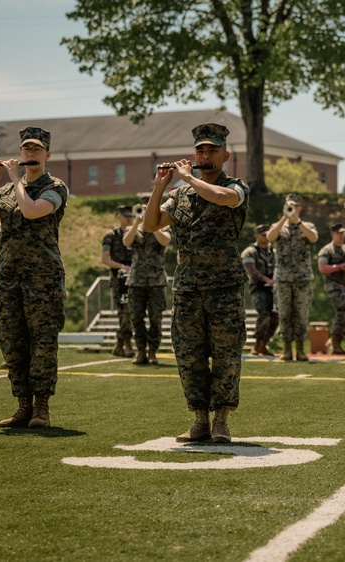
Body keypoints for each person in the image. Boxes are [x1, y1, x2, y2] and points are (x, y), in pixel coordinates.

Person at [143, 123, 249, 443]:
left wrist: (189, 177)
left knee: (226, 355)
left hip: (224, 287)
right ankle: (199, 420)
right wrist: (161, 186)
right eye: (201, 150)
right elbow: (150, 224)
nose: (205, 154)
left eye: (212, 150)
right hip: (188, 288)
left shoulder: (237, 186)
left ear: (225, 155)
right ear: (194, 153)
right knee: (189, 355)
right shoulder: (179, 195)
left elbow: (223, 198)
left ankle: (221, 420)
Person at [0, 127, 68, 429]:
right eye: (26, 149)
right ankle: (23, 406)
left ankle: (41, 407)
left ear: (47, 154)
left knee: (42, 342)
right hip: (8, 277)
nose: (29, 155)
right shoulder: (4, 192)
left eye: (36, 150)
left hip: (42, 278)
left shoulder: (54, 186)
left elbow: (30, 211)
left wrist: (16, 179)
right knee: (12, 342)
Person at [267, 193, 318, 361]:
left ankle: (301, 350)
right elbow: (270, 237)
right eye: (289, 206)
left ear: (300, 208)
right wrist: (284, 219)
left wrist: (298, 221)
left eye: (295, 206)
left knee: (301, 314)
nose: (292, 209)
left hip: (302, 278)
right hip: (282, 278)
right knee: (284, 314)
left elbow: (313, 238)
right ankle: (287, 350)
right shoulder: (279, 225)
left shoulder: (307, 225)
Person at [123, 202, 171, 365]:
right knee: (136, 318)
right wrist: (137, 221)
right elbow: (126, 242)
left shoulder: (163, 227)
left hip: (156, 281)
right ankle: (141, 350)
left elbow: (165, 241)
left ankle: (152, 351)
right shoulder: (134, 229)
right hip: (136, 281)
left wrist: (153, 225)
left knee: (155, 318)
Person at [317, 223, 345, 354]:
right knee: (344, 311)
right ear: (333, 234)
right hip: (333, 285)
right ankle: (335, 345)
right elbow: (323, 268)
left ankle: (334, 341)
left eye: (343, 233)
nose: (342, 236)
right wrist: (339, 267)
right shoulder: (326, 250)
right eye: (339, 233)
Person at [101, 205, 136, 358]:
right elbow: (105, 259)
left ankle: (119, 345)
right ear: (119, 216)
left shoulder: (136, 235)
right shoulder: (111, 235)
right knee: (124, 311)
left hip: (135, 279)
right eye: (125, 215)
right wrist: (123, 267)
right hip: (118, 279)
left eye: (131, 215)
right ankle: (126, 342)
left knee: (132, 312)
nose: (129, 218)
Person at [241, 224, 278, 356]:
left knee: (275, 317)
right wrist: (266, 280)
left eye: (268, 234)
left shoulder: (273, 252)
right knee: (264, 315)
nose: (266, 237)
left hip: (273, 289)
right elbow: (251, 270)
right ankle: (257, 345)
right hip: (258, 287)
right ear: (256, 235)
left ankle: (264, 344)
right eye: (263, 235)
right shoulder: (250, 252)